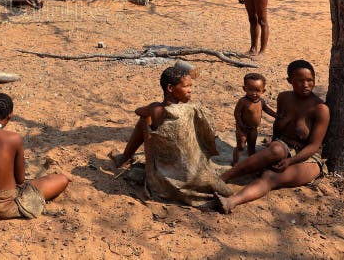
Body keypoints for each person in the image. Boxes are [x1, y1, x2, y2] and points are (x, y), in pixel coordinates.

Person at [216, 60, 329, 213]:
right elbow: (278, 127)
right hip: (284, 146)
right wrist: (274, 143)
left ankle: (231, 201)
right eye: (300, 81)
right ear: (290, 81)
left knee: (270, 176)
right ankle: (221, 179)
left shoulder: (320, 109)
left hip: (307, 158)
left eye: (310, 80)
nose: (306, 85)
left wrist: (290, 161)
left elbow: (314, 146)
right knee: (275, 149)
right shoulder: (284, 98)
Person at [0, 93, 69, 219]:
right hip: (6, 207)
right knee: (61, 179)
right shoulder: (14, 139)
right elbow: (20, 180)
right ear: (10, 115)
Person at [112, 63, 194, 167]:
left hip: (161, 167)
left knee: (144, 119)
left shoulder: (156, 109)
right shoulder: (187, 110)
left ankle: (124, 158)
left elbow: (138, 111)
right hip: (181, 165)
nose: (190, 90)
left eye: (190, 86)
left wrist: (150, 112)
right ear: (170, 88)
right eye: (186, 86)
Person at [232, 73, 277, 165]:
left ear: (263, 91)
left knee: (252, 146)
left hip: (253, 129)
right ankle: (235, 162)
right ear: (245, 89)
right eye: (250, 90)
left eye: (257, 90)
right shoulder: (243, 101)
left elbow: (267, 110)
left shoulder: (261, 102)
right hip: (242, 128)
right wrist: (240, 124)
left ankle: (251, 162)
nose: (254, 93)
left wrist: (276, 115)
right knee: (241, 146)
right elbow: (237, 113)